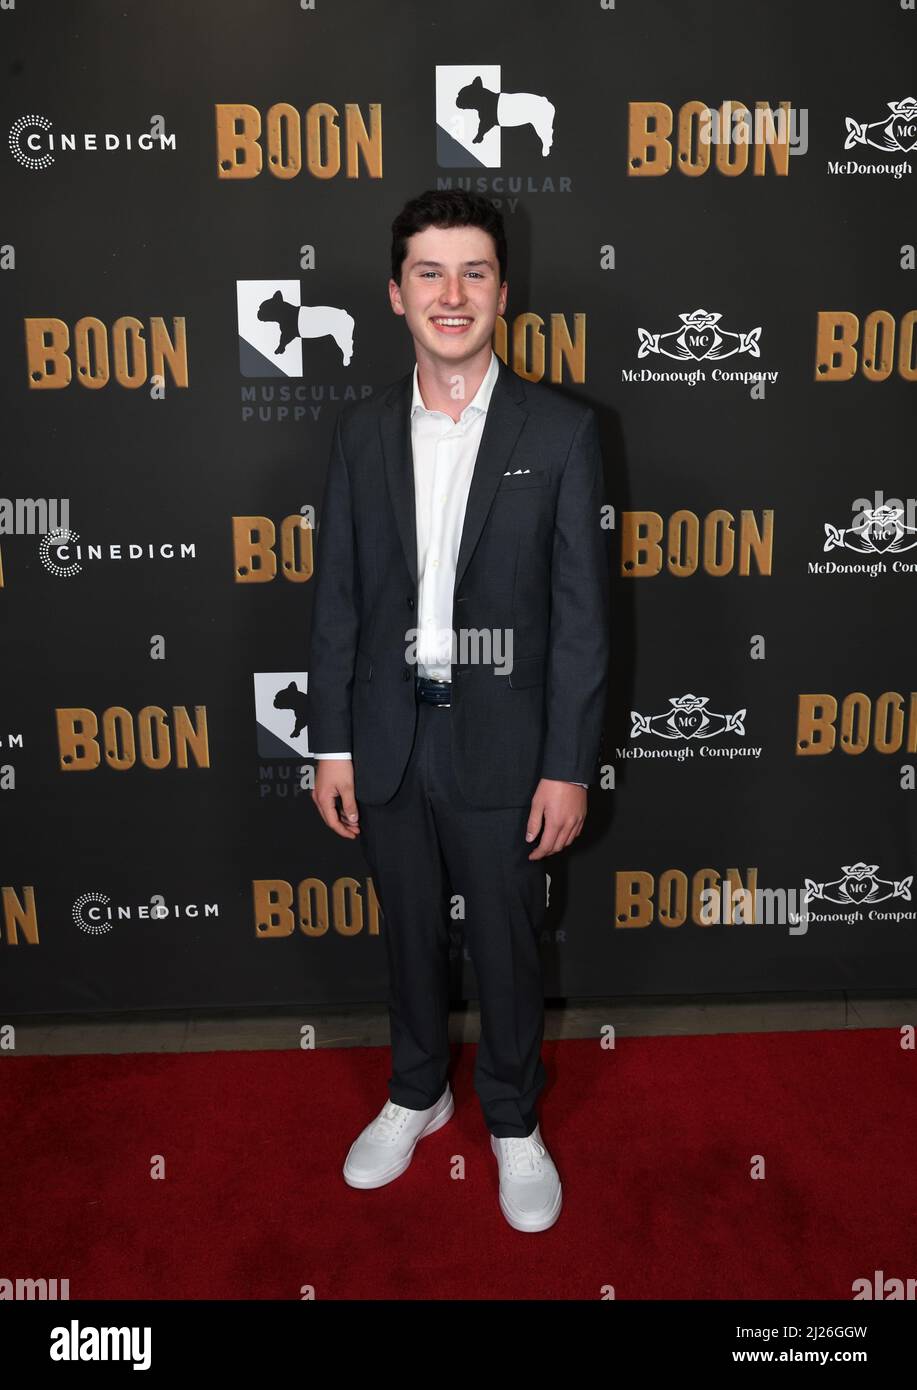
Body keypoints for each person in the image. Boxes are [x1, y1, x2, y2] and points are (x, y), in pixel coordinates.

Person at [308, 189, 610, 1232]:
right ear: (395, 294)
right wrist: (333, 743)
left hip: (505, 745)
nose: (451, 293)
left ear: (501, 293)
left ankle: (513, 1122)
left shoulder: (562, 432)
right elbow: (338, 598)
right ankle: (416, 1091)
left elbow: (578, 620)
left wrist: (566, 763)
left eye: (472, 272)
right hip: (388, 736)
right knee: (403, 935)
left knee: (506, 944)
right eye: (429, 272)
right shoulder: (353, 435)